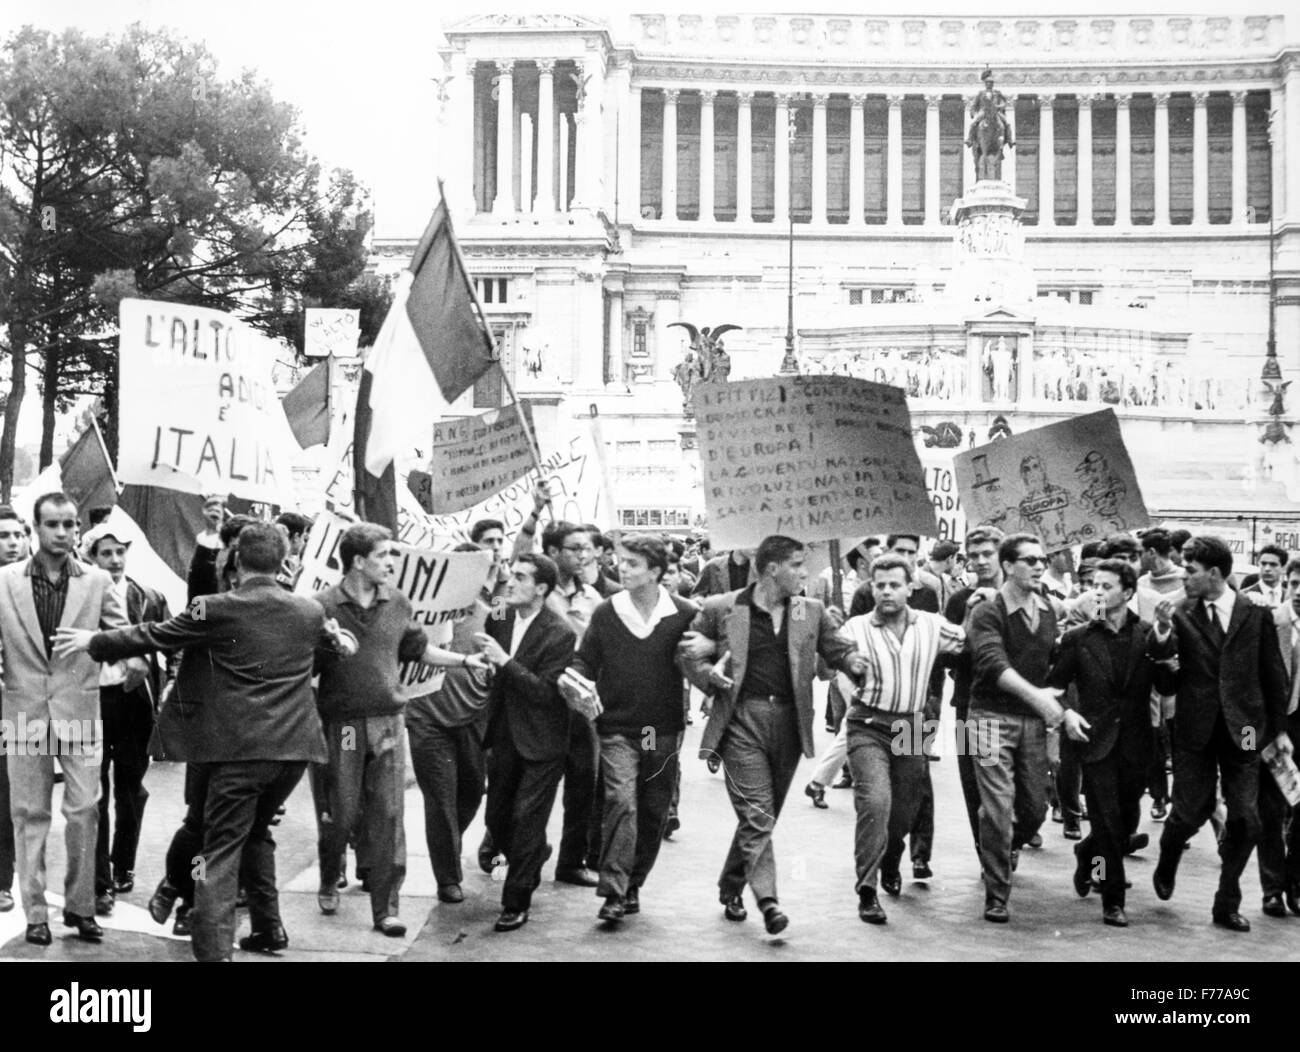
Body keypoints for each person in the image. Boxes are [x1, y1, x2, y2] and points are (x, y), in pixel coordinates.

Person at [58, 523, 358, 961]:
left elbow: (155, 635)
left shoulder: (212, 609)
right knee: (255, 834)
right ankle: (268, 927)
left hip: (237, 750)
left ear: (236, 561)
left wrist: (96, 641)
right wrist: (339, 641)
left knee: (217, 852)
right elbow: (328, 654)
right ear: (284, 562)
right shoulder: (309, 611)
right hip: (294, 750)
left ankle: (214, 951)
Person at [681, 535, 866, 934]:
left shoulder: (810, 610)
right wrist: (706, 675)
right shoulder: (723, 607)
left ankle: (732, 884)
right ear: (771, 569)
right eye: (798, 565)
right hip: (740, 720)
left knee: (761, 816)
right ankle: (769, 900)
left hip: (789, 722)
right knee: (758, 813)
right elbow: (689, 651)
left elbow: (837, 649)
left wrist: (854, 661)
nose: (806, 573)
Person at [313, 523, 486, 937]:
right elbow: (304, 667)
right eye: (384, 556)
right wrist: (325, 646)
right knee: (342, 813)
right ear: (358, 561)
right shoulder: (322, 607)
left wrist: (464, 661)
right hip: (344, 727)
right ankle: (328, 874)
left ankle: (386, 910)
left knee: (390, 815)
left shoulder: (399, 603)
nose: (392, 563)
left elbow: (420, 649)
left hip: (390, 722)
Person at [0, 493, 144, 947]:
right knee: (29, 813)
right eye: (53, 525)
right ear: (35, 529)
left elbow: (124, 635)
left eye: (69, 525)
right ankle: (36, 911)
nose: (62, 533)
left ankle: (82, 907)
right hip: (23, 712)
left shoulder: (98, 581)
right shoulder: (4, 581)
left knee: (84, 809)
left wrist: (125, 654)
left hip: (79, 710)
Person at [1150, 536, 1291, 932]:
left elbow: (1273, 675)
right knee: (1190, 812)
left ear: (1214, 573)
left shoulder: (1254, 613)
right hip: (1195, 730)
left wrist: (1277, 731)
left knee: (1247, 818)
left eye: (1190, 572)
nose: (1184, 578)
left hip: (1245, 730)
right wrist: (1161, 633)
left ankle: (1226, 901)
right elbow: (1164, 682)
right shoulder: (1178, 612)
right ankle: (1169, 853)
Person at [565, 535, 697, 923]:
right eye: (622, 562)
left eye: (633, 564)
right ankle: (614, 891)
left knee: (654, 808)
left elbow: (703, 652)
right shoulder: (607, 612)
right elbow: (585, 660)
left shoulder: (684, 613)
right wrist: (574, 679)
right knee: (621, 801)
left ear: (655, 572)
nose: (623, 569)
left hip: (660, 729)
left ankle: (633, 883)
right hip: (617, 727)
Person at [838, 554, 966, 924]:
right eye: (880, 585)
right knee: (875, 803)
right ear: (871, 588)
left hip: (910, 727)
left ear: (911, 587)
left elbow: (971, 639)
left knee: (905, 811)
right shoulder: (856, 628)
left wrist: (980, 606)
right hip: (868, 725)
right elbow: (837, 666)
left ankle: (893, 858)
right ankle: (867, 890)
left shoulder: (932, 625)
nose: (887, 591)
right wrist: (849, 680)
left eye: (895, 584)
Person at [1048, 559, 1174, 927]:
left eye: (1106, 586)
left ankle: (1088, 855)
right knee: (1106, 818)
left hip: (1137, 743)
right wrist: (1066, 715)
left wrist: (1166, 639)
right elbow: (1053, 689)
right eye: (1094, 585)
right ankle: (1113, 900)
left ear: (1128, 593)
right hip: (1094, 740)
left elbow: (1168, 687)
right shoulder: (1078, 638)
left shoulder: (1151, 633)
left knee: (1123, 819)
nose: (1097, 592)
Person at [966, 532, 1067, 923]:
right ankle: (997, 893)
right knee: (996, 807)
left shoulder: (1048, 608)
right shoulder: (987, 610)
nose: (1040, 565)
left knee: (1034, 807)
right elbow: (992, 663)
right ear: (1008, 566)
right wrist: (1039, 697)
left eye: (1042, 560)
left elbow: (1053, 661)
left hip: (1032, 723)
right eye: (1030, 560)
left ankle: (1009, 845)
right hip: (989, 718)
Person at [475, 554, 577, 932]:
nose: (510, 581)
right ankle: (531, 856)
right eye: (510, 573)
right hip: (502, 736)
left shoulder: (559, 633)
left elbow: (545, 693)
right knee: (497, 818)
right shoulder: (500, 614)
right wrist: (488, 667)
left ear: (542, 589)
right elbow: (496, 669)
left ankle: (516, 902)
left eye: (519, 577)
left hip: (542, 740)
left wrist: (504, 662)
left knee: (527, 820)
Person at [81, 523, 173, 917]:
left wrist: (168, 685)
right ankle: (100, 883)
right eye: (106, 553)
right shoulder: (80, 597)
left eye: (120, 552)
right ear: (91, 558)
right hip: (92, 702)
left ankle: (124, 865)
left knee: (131, 789)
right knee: (93, 793)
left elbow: (174, 644)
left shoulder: (149, 598)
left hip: (136, 704)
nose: (115, 560)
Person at [406, 544, 496, 906]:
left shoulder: (495, 612)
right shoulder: (420, 613)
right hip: (427, 719)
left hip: (475, 719)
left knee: (472, 792)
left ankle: (447, 844)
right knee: (440, 801)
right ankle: (448, 877)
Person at [944, 526, 1004, 852]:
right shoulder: (959, 601)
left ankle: (1008, 841)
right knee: (974, 786)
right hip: (968, 705)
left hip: (1012, 708)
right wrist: (967, 618)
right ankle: (988, 853)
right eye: (974, 556)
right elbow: (947, 656)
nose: (980, 562)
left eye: (987, 554)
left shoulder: (1019, 596)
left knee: (1011, 787)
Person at [1136, 528, 1187, 823]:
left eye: (1140, 553)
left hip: (1178, 673)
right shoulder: (1141, 583)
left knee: (1178, 738)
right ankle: (1158, 796)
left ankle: (1181, 807)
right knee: (1153, 737)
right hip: (1148, 670)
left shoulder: (1185, 579)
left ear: (1151, 553)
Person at [0, 505, 32, 915]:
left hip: (19, 705)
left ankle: (2, 880)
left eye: (16, 535)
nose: (11, 543)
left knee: (5, 794)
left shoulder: (37, 586)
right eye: (3, 536)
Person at [1266, 556, 1300, 916]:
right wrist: (1271, 733)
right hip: (1274, 729)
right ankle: (1272, 889)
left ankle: (1295, 879)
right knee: (1269, 812)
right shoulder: (1269, 622)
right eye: (1294, 584)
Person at [187, 493, 226, 600]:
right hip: (197, 586)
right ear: (204, 513)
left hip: (214, 588)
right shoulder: (200, 537)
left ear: (222, 515)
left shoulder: (222, 539)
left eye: (218, 512)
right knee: (197, 613)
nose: (214, 514)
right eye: (211, 511)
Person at [273, 511, 312, 591]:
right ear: (296, 537)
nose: (303, 542)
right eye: (303, 537)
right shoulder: (278, 565)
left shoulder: (291, 565)